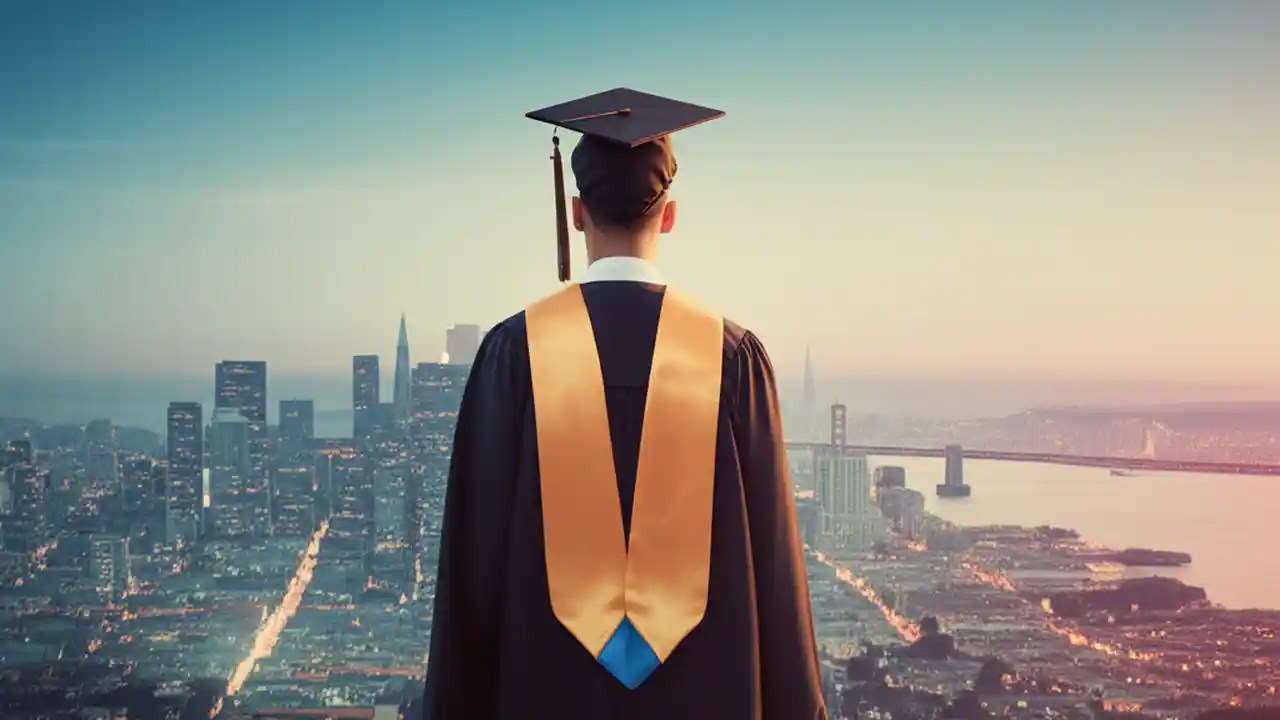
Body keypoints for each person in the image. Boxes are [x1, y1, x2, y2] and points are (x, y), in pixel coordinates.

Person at [422, 88, 826, 720]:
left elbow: (472, 576)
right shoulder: (733, 357)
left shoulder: (514, 353)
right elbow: (776, 573)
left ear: (576, 213)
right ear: (669, 217)